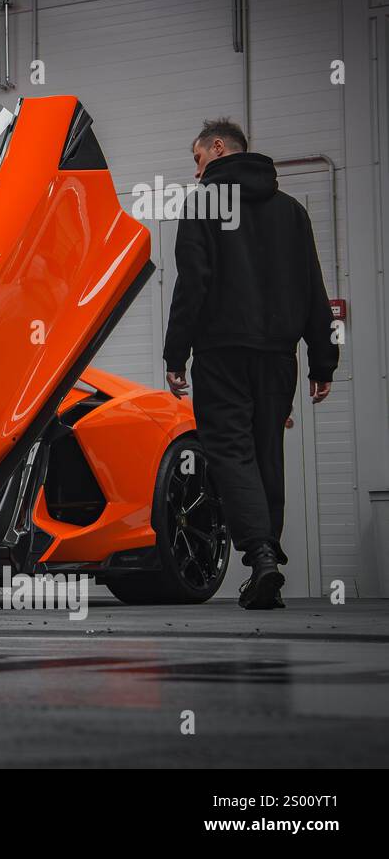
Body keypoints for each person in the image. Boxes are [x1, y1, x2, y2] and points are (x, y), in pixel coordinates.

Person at [162, 118, 338, 610]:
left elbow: (191, 284)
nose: (196, 174)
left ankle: (260, 557)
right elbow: (313, 289)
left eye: (198, 160)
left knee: (231, 454)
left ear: (218, 149)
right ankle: (267, 561)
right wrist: (322, 361)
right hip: (278, 359)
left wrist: (176, 354)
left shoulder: (202, 204)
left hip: (221, 356)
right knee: (266, 454)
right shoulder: (292, 212)